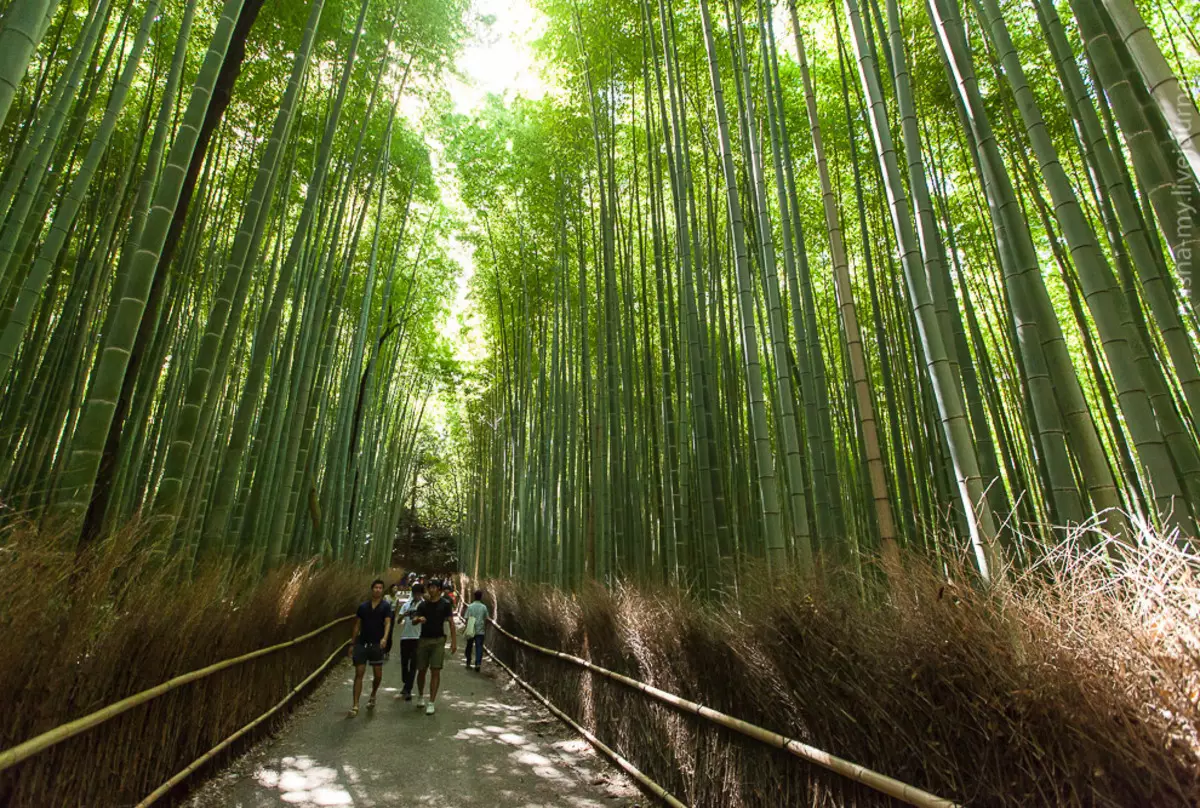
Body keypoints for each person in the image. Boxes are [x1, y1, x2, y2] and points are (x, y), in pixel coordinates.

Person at [347, 579, 392, 717]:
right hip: (362, 643)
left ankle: (373, 694)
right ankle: (355, 705)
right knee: (359, 673)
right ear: (371, 589)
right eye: (376, 587)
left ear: (382, 590)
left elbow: (387, 623)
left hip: (376, 644)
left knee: (377, 675)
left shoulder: (385, 606)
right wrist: (352, 643)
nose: (378, 590)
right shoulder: (363, 606)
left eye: (380, 588)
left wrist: (384, 638)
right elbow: (357, 625)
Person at [411, 578, 456, 715]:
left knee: (435, 670)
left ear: (440, 590)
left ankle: (431, 701)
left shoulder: (445, 604)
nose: (431, 589)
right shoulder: (423, 605)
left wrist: (454, 642)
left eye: (434, 587)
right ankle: (420, 695)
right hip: (424, 640)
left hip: (438, 641)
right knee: (421, 670)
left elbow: (451, 622)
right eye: (430, 587)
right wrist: (418, 619)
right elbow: (413, 620)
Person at [393, 582, 424, 701]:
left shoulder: (423, 606)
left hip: (418, 638)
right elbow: (398, 621)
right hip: (405, 637)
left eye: (419, 593)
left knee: (414, 665)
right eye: (415, 593)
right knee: (404, 664)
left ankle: (408, 690)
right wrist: (404, 615)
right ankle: (406, 683)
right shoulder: (406, 605)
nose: (417, 595)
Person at [464, 590, 489, 671]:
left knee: (469, 646)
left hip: (471, 629)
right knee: (479, 647)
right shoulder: (484, 607)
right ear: (481, 597)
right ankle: (478, 663)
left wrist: (466, 628)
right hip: (480, 629)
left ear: (474, 596)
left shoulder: (470, 606)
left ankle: (468, 662)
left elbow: (466, 618)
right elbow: (487, 618)